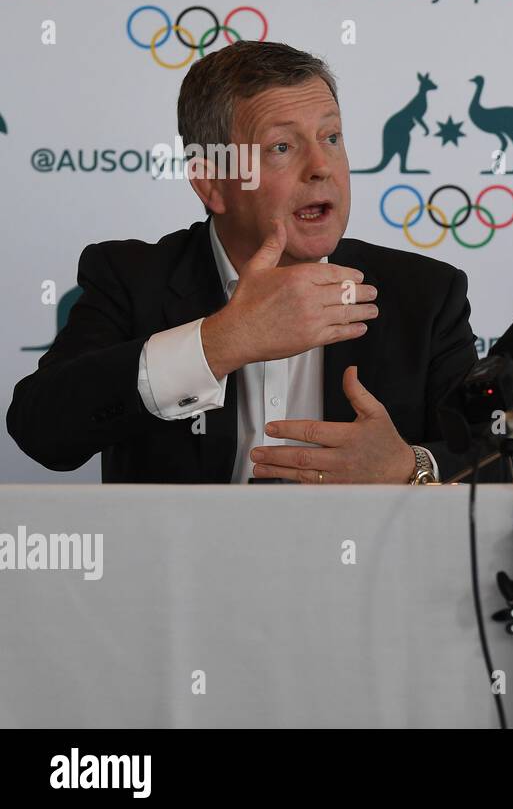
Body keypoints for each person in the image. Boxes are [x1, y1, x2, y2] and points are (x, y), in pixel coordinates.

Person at [8, 41, 482, 484]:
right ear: (211, 182)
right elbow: (43, 432)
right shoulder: (132, 278)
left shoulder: (425, 293)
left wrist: (410, 466)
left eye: (331, 137)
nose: (321, 166)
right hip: (180, 570)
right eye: (282, 146)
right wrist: (222, 341)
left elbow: (499, 459)